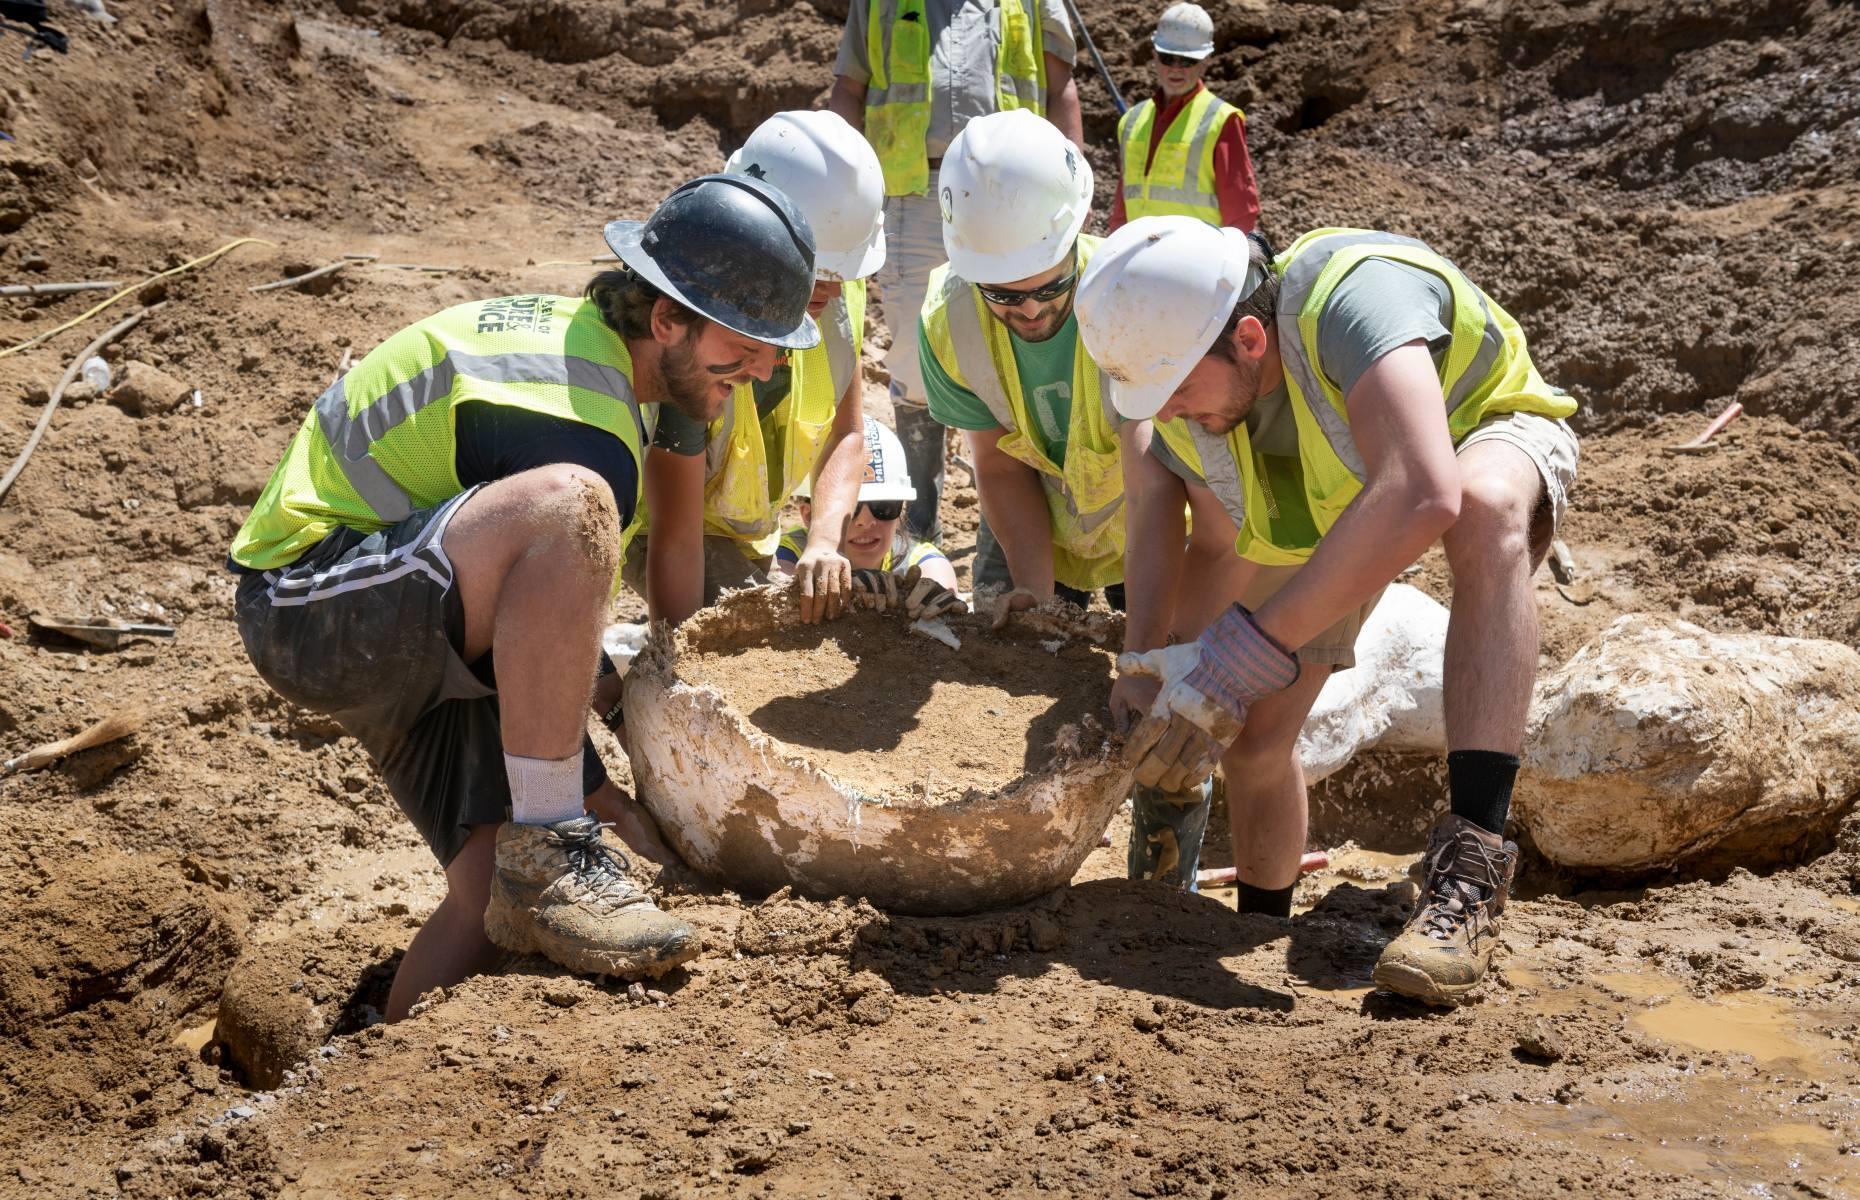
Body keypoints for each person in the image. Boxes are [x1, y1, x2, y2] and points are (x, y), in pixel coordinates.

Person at [226, 174, 820, 1020]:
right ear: (666, 322)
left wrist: (592, 777)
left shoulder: (599, 349)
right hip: (310, 601)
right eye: (745, 345)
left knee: (485, 902)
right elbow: (544, 610)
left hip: (409, 610)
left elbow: (534, 636)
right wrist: (580, 792)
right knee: (570, 507)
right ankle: (550, 844)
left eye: (772, 347)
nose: (761, 371)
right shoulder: (581, 423)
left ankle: (363, 1077)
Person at [1074, 217, 1580, 1005]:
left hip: (1475, 432)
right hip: (1349, 494)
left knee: (1482, 509)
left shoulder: (1353, 298)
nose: (1168, 411)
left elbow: (1422, 490)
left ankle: (1470, 875)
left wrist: (1245, 654)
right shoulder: (1183, 385)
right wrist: (1144, 662)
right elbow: (1157, 495)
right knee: (1255, 744)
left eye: (1178, 391)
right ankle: (1257, 927)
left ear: (1248, 337)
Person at [827, 0, 1084, 547]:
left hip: (1020, 204)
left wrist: (1070, 188)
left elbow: (1060, 87)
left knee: (1013, 351)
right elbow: (850, 88)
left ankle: (1012, 532)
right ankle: (916, 522)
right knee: (915, 358)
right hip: (915, 190)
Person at [628, 111, 887, 625]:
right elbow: (675, 533)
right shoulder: (705, 321)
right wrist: (677, 660)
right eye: (818, 275)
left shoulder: (835, 294)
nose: (833, 291)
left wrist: (824, 539)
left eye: (842, 273)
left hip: (747, 528)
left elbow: (847, 432)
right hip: (664, 521)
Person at [918, 110, 1126, 624]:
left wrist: (1149, 633)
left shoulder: (1130, 301)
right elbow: (1000, 466)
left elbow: (1163, 476)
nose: (1030, 310)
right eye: (1003, 294)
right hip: (1039, 510)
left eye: (1051, 286)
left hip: (1148, 514)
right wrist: (1035, 588)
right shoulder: (952, 322)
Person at [772, 416, 963, 618]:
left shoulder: (923, 562)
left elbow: (942, 588)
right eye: (851, 508)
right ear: (809, 515)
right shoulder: (786, 556)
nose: (866, 521)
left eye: (884, 507)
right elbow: (776, 596)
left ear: (901, 511)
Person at [1107, 1, 1258, 233]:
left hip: (1197, 261)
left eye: (1187, 61)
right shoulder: (1131, 121)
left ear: (1205, 61)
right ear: (1154, 56)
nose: (1176, 68)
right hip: (1138, 256)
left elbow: (1241, 213)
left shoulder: (1222, 120)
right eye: (1168, 58)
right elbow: (1122, 206)